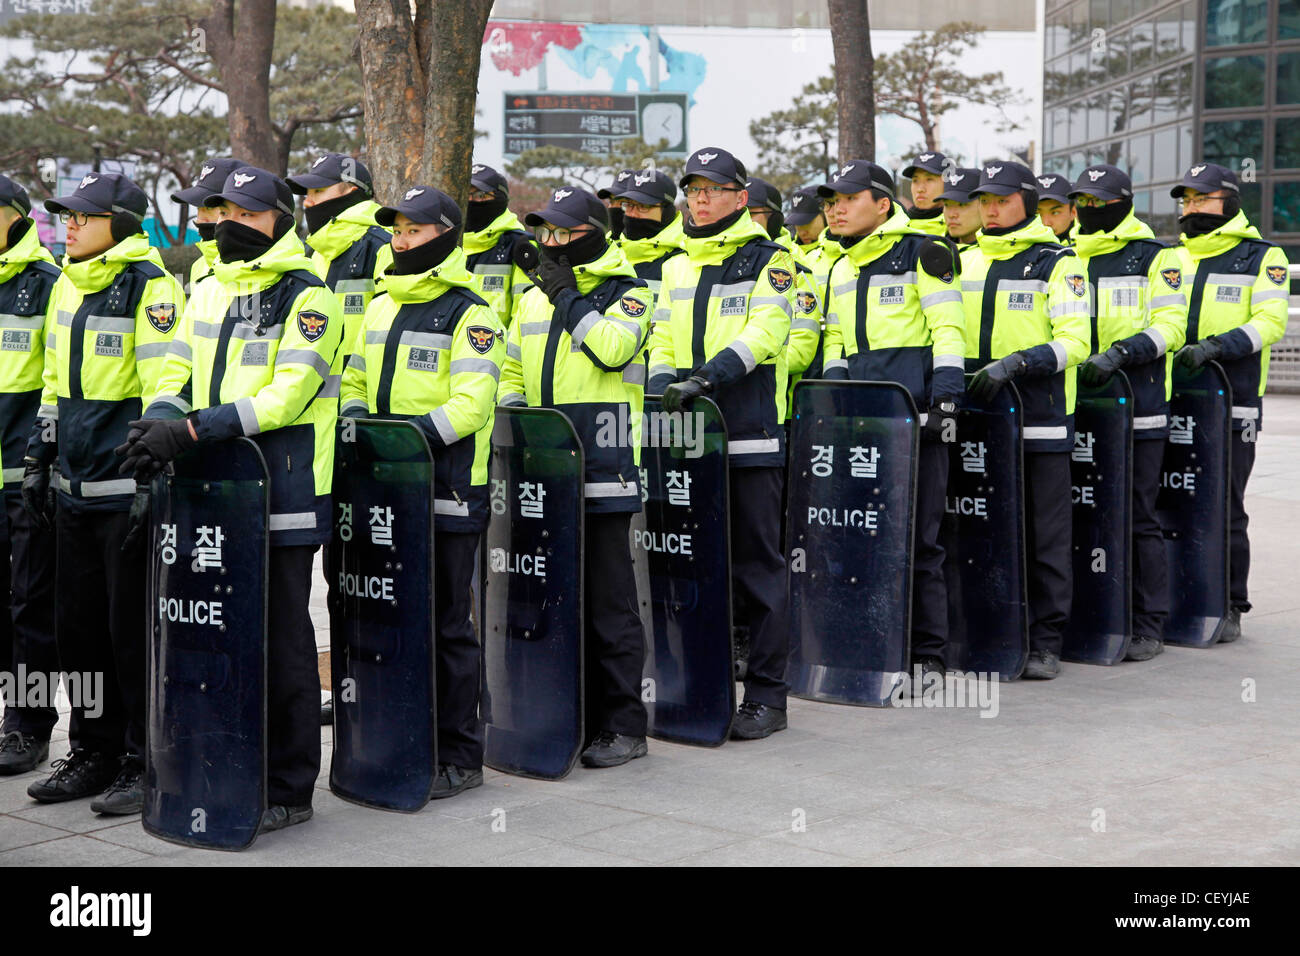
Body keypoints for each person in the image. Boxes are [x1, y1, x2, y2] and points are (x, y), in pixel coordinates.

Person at [121, 166, 343, 833]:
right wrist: (157, 419)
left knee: (282, 642)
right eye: (217, 212)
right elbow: (176, 366)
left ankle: (288, 787)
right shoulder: (208, 286)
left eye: (242, 214)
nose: (225, 224)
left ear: (278, 218)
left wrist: (191, 429)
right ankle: (224, 763)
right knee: (213, 635)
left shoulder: (309, 297)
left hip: (283, 490)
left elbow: (287, 395)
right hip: (209, 492)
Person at [23, 172, 184, 812]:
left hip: (125, 496)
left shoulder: (152, 288)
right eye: (65, 215)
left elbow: (164, 383)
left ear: (120, 222)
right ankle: (89, 750)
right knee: (77, 633)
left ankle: (139, 760)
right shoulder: (67, 283)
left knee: (127, 635)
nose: (70, 225)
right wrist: (40, 453)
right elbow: (55, 382)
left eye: (83, 217)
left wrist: (149, 478)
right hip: (72, 493)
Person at [341, 185, 502, 797]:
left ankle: (460, 755)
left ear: (444, 235)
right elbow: (354, 373)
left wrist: (407, 441)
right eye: (397, 230)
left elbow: (472, 402)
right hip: (387, 490)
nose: (401, 240)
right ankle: (405, 736)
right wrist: (359, 420)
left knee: (446, 626)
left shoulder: (472, 313)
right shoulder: (380, 305)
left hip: (446, 491)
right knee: (395, 622)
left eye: (413, 230)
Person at [498, 186, 653, 768]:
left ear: (594, 232)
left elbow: (612, 351)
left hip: (604, 470)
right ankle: (571, 715)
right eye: (546, 234)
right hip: (546, 472)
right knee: (552, 601)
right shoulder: (536, 298)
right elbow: (512, 366)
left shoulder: (629, 293)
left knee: (609, 605)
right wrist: (525, 427)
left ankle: (623, 726)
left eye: (565, 233)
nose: (553, 244)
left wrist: (570, 298)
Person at [647, 147, 794, 738]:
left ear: (740, 196)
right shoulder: (676, 263)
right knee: (692, 566)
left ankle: (767, 697)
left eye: (713, 189)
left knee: (757, 570)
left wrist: (707, 377)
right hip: (687, 437)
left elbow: (769, 330)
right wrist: (660, 378)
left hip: (749, 436)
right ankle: (699, 686)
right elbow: (660, 331)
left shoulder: (772, 259)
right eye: (693, 189)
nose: (700, 199)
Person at [819, 161, 966, 679]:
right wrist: (835, 407)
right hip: (861, 428)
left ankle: (928, 654)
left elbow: (949, 330)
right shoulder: (841, 266)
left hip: (916, 422)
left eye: (848, 198)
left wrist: (944, 402)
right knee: (862, 537)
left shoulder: (924, 252)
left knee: (919, 541)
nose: (835, 208)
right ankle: (871, 645)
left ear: (883, 204)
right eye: (831, 199)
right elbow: (836, 342)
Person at [961, 162, 1090, 680]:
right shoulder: (962, 261)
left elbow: (1077, 340)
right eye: (984, 199)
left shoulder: (1060, 263)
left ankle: (1046, 639)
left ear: (1029, 201)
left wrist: (1020, 363)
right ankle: (983, 630)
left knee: (1044, 535)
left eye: (1002, 199)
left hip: (1039, 424)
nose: (990, 208)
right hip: (974, 425)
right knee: (975, 532)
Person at [1069, 164, 1188, 661]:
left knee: (1136, 517)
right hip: (1080, 411)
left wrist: (1124, 352)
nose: (1089, 211)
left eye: (1100, 202)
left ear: (1123, 202)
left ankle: (1147, 623)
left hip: (1138, 411)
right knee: (1082, 518)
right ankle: (1092, 616)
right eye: (1084, 202)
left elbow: (1172, 327)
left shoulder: (1155, 258)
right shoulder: (1066, 255)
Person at [1168, 162, 1290, 643]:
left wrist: (1220, 346)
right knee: (1170, 502)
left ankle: (1232, 602)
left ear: (1230, 201)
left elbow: (1271, 321)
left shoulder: (1262, 256)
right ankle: (1176, 600)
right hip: (1173, 398)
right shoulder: (1172, 256)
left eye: (1203, 198)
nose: (1192, 208)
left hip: (1231, 404)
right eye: (1187, 200)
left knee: (1223, 504)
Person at [0, 176, 60, 775]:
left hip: (22, 476)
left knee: (31, 605)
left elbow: (55, 382)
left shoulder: (45, 286)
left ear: (15, 217)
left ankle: (29, 725)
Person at [286, 152, 392, 351]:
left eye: (318, 191)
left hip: (359, 380)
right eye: (307, 193)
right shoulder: (317, 253)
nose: (307, 202)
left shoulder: (384, 247)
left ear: (350, 193)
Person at [463, 163, 533, 328]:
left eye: (481, 195)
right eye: (466, 195)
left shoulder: (520, 245)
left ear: (500, 199)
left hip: (499, 349)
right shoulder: (447, 242)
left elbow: (524, 312)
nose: (472, 201)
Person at [171, 156, 245, 289]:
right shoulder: (199, 266)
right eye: (198, 208)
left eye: (209, 208)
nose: (199, 220)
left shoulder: (254, 266)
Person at [901, 152, 950, 236]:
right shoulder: (898, 227)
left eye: (929, 179)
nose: (920, 189)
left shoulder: (958, 229)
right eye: (915, 180)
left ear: (946, 184)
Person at [937, 167, 984, 247]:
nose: (951, 215)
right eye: (947, 205)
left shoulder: (1000, 255)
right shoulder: (937, 249)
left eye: (962, 204)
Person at [1036, 173, 1077, 245]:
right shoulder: (1019, 248)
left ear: (1073, 212)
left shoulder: (1088, 249)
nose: (1046, 223)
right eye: (1037, 214)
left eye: (1055, 213)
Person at [786, 185, 828, 256]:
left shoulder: (844, 251)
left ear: (826, 213)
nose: (802, 233)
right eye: (797, 223)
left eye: (807, 223)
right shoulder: (786, 254)